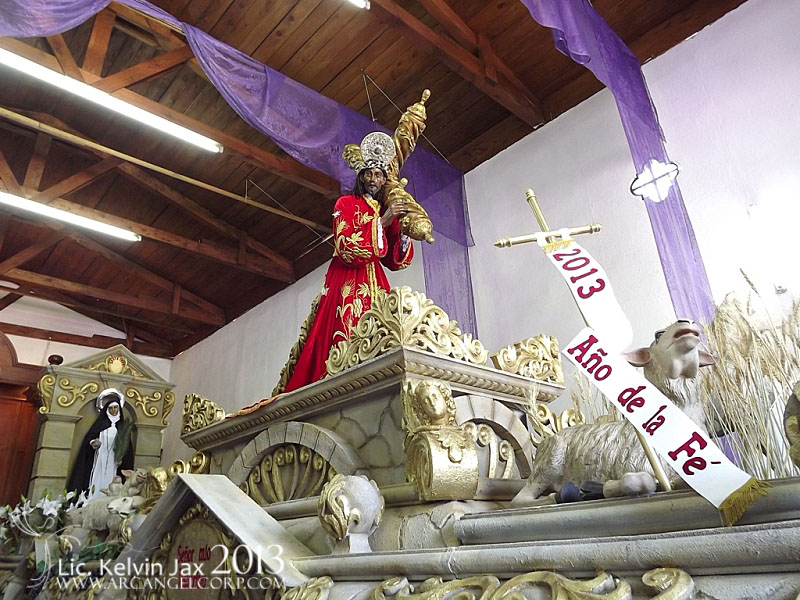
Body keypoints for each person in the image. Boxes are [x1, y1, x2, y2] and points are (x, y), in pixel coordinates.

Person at [283, 132, 414, 392]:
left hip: (376, 279)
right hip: (348, 280)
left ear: (385, 179)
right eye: (368, 174)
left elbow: (391, 259)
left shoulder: (383, 208)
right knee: (345, 335)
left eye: (378, 175)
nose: (373, 180)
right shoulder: (346, 204)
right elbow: (345, 246)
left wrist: (405, 233)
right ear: (361, 176)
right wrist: (383, 221)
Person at [67, 388, 135, 498]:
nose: (113, 410)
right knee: (96, 478)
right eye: (111, 408)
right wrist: (93, 443)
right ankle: (91, 499)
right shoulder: (101, 424)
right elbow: (89, 439)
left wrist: (122, 457)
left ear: (119, 409)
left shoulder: (122, 428)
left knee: (111, 479)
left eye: (115, 408)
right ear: (107, 410)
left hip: (114, 461)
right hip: (99, 458)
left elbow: (127, 447)